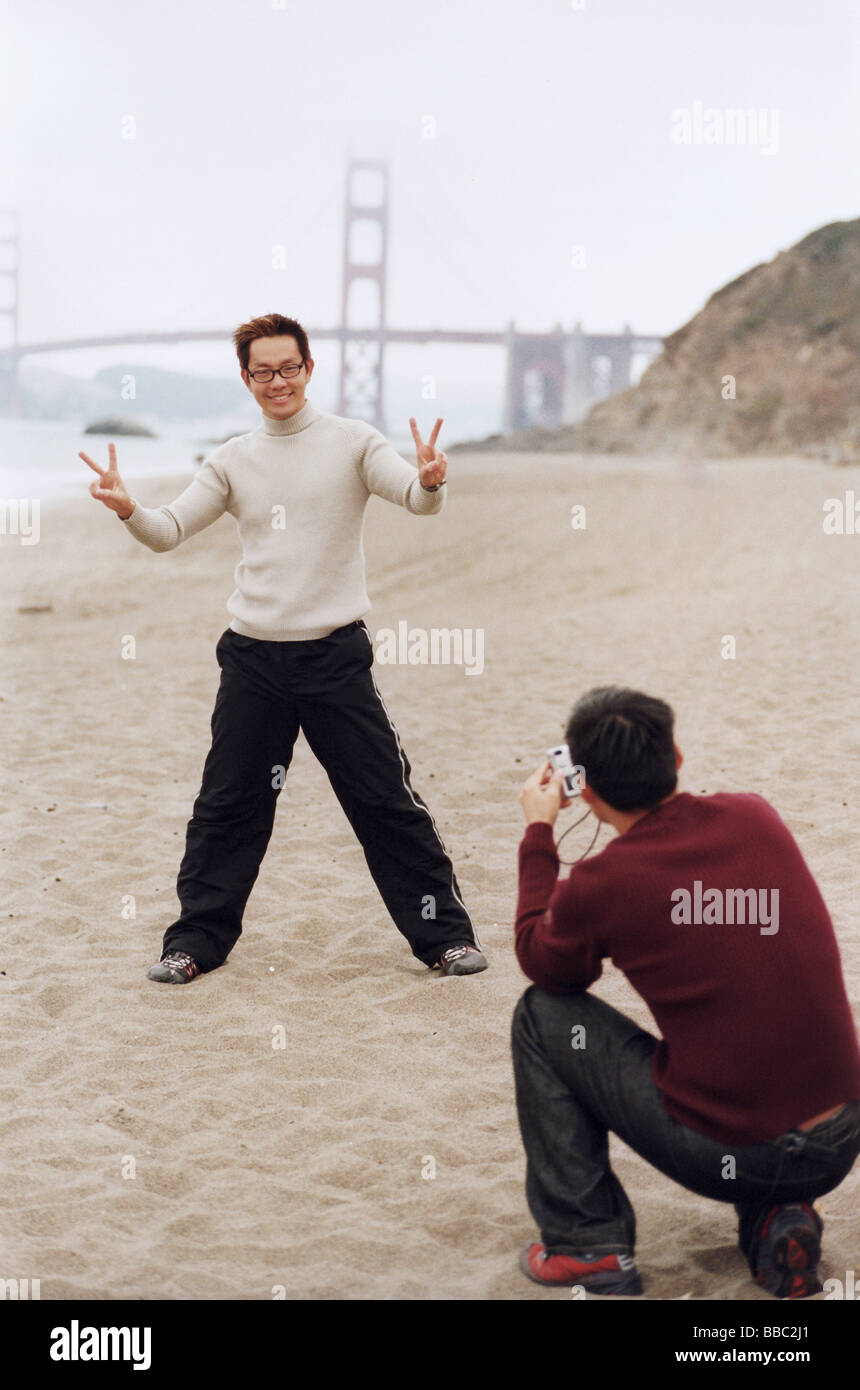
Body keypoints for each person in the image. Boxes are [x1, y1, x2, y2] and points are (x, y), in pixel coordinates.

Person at [81, 312, 486, 984]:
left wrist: (433, 479)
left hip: (333, 657)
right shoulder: (233, 458)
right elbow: (169, 530)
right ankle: (193, 945)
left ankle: (444, 939)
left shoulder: (354, 443)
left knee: (384, 799)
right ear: (246, 378)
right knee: (227, 806)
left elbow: (414, 499)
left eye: (289, 367)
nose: (278, 381)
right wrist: (128, 508)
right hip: (253, 660)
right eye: (263, 371)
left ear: (309, 368)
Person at [511, 685, 859, 1298]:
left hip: (739, 1149)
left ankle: (587, 1245)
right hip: (842, 1133)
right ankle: (779, 1218)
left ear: (582, 789)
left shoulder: (602, 883)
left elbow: (545, 966)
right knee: (752, 1039)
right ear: (675, 756)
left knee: (541, 1016)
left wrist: (539, 833)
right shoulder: (756, 815)